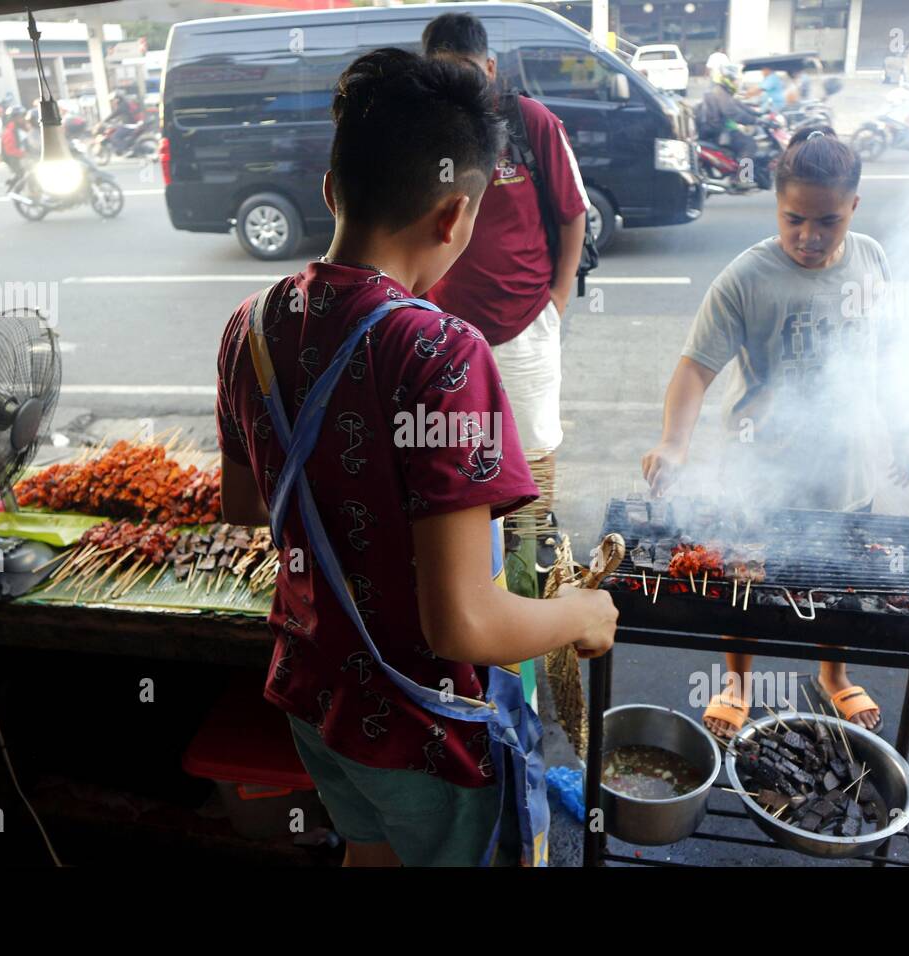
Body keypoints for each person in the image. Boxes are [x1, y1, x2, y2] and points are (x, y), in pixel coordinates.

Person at [215, 48, 618, 867]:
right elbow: (463, 622)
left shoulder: (250, 324)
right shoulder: (442, 353)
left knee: (368, 855)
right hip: (419, 730)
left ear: (331, 189)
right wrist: (583, 614)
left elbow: (247, 503)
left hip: (315, 696)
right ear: (454, 216)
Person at [641, 127, 909, 738]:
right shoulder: (747, 277)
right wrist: (674, 442)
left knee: (838, 581)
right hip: (761, 466)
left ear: (854, 207)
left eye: (828, 221)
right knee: (747, 579)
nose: (809, 236)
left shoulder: (871, 258)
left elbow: (888, 354)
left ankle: (834, 675)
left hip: (848, 466)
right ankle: (738, 683)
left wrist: (902, 431)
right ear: (776, 205)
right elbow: (695, 369)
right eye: (795, 219)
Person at [419, 12, 590, 559]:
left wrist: (557, 299)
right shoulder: (424, 133)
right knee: (453, 444)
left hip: (524, 322)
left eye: (467, 72)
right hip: (442, 330)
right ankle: (476, 553)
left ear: (490, 68)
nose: (458, 86)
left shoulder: (530, 124)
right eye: (444, 74)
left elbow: (573, 213)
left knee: (533, 441)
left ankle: (531, 547)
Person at [697, 64, 762, 165]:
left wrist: (759, 114)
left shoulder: (722, 91)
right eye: (735, 80)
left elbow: (738, 105)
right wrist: (755, 120)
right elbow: (732, 112)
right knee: (749, 144)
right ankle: (744, 174)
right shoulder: (719, 92)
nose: (737, 83)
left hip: (721, 129)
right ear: (727, 80)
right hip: (719, 132)